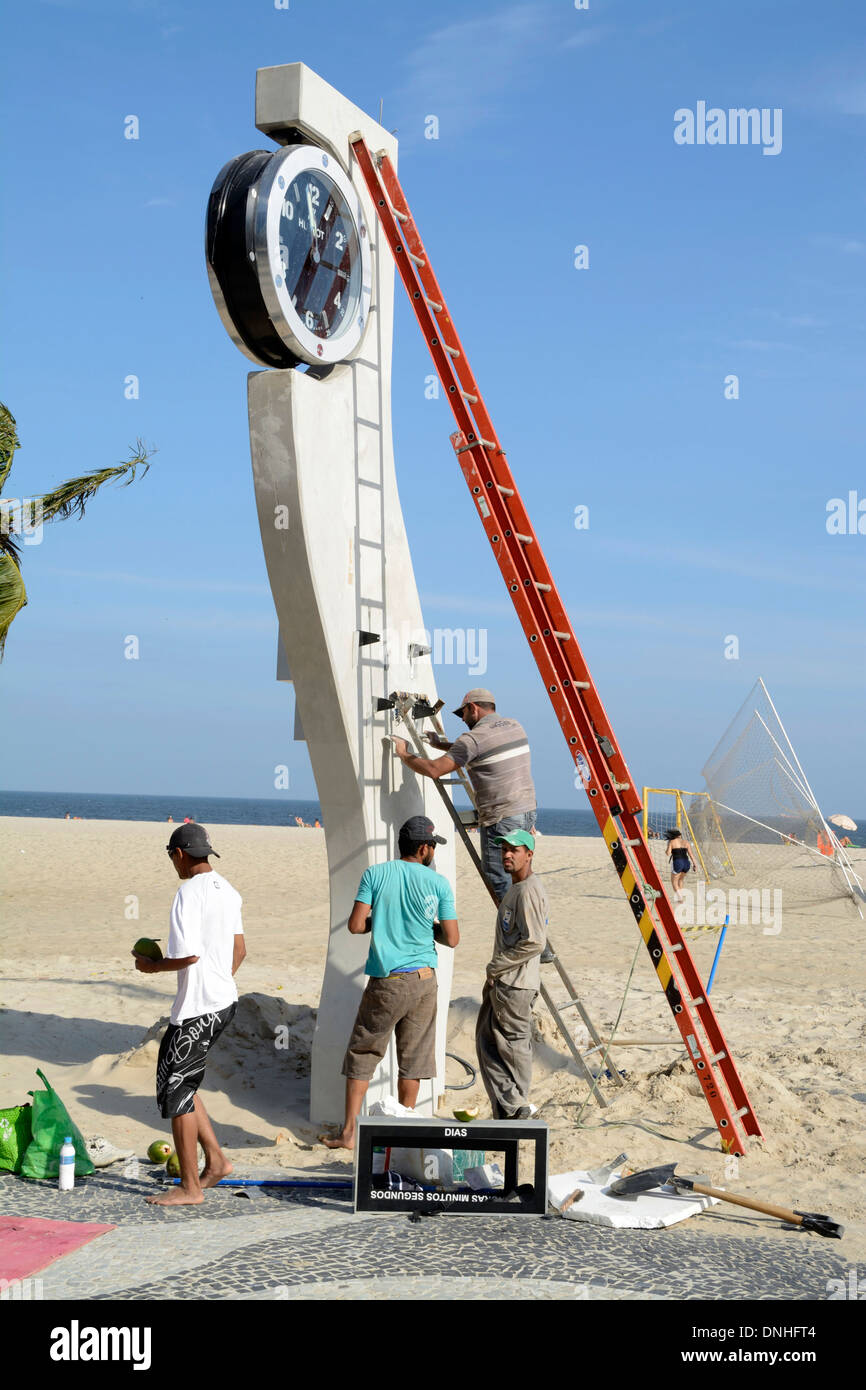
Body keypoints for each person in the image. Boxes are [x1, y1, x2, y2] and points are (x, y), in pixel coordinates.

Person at [322, 816, 459, 1151]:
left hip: (388, 980)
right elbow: (452, 938)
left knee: (363, 1052)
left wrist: (378, 921)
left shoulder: (376, 874)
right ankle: (402, 1133)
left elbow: (355, 925)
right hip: (425, 978)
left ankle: (349, 1133)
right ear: (425, 848)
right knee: (413, 1059)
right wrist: (430, 929)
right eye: (432, 847)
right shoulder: (438, 883)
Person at [132, 822, 246, 1206]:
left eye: (172, 857)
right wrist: (216, 981)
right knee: (184, 1081)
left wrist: (152, 967)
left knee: (176, 1091)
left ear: (179, 854)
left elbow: (189, 956)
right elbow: (239, 952)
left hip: (199, 1008)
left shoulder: (187, 893)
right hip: (223, 1001)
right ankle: (216, 1162)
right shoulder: (228, 890)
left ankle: (190, 1187)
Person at [391, 688, 537, 902]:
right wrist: (441, 745)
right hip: (527, 811)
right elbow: (484, 749)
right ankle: (530, 917)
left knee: (498, 879)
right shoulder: (515, 726)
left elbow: (434, 769)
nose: (463, 719)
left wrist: (404, 754)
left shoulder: (474, 738)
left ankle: (513, 929)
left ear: (473, 708)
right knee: (521, 874)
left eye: (463, 714)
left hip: (501, 817)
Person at [476, 829, 547, 1120]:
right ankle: (509, 1106)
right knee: (487, 1043)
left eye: (514, 850)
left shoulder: (528, 890)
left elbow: (535, 941)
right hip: (506, 982)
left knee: (514, 1045)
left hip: (514, 984)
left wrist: (498, 966)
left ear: (529, 855)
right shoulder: (517, 888)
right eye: (504, 849)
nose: (507, 854)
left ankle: (517, 1105)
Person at [665, 828, 697, 903]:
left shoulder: (672, 841)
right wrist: (695, 864)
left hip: (678, 862)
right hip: (686, 863)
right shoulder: (686, 842)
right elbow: (691, 855)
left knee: (674, 882)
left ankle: (680, 898)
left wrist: (668, 845)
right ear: (679, 835)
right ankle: (680, 896)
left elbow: (668, 853)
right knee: (681, 880)